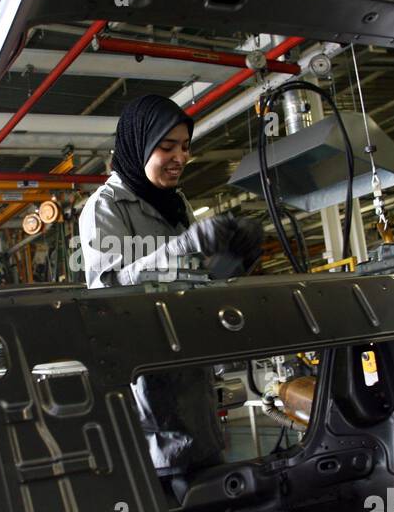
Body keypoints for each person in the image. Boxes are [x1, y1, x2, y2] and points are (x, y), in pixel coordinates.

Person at [78, 94, 261, 471]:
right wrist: (189, 244)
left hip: (192, 379)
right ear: (139, 145)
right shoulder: (106, 206)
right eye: (167, 147)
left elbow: (195, 281)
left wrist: (235, 260)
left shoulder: (175, 205)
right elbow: (110, 291)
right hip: (147, 395)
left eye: (186, 146)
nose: (182, 157)